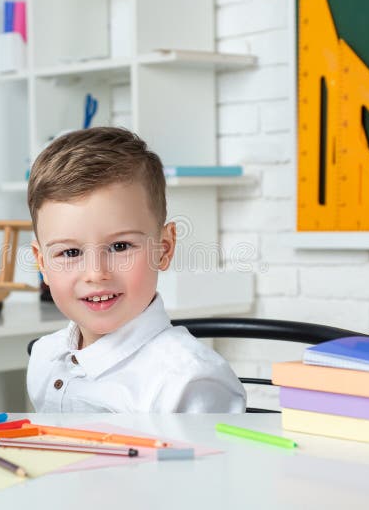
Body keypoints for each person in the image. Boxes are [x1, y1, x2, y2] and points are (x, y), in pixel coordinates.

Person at [26, 127, 247, 413]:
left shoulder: (187, 382)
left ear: (164, 249)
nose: (96, 273)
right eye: (70, 252)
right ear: (41, 263)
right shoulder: (44, 358)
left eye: (120, 247)